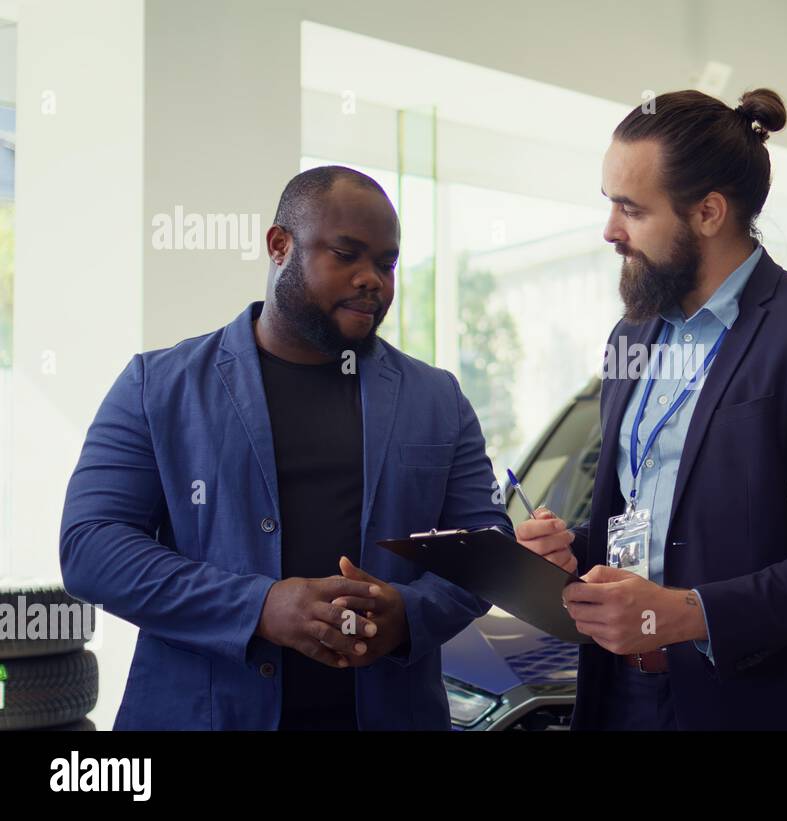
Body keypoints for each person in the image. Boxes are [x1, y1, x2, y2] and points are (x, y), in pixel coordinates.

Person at [60, 166, 507, 730]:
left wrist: (408, 615)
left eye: (387, 263)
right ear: (279, 246)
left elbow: (487, 549)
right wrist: (260, 608)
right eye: (347, 254)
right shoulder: (157, 387)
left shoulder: (436, 397)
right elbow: (91, 549)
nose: (373, 279)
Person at [516, 89, 787, 730]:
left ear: (709, 213)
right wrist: (572, 552)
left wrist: (687, 613)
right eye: (609, 203)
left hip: (759, 707)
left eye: (630, 209)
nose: (610, 230)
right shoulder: (631, 337)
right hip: (621, 697)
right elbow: (646, 527)